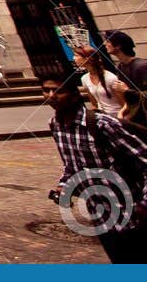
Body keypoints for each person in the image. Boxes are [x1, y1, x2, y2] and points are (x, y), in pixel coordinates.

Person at [43, 70, 147, 263]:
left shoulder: (101, 124)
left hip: (134, 212)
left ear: (74, 95)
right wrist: (63, 186)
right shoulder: (55, 125)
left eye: (58, 91)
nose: (51, 96)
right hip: (101, 215)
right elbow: (72, 165)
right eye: (46, 91)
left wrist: (145, 205)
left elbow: (144, 160)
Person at [103, 30, 147, 126]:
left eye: (108, 41)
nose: (105, 44)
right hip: (136, 118)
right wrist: (122, 112)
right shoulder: (120, 67)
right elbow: (130, 101)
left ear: (118, 46)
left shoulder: (142, 66)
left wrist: (126, 91)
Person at [75, 44, 128, 117]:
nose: (74, 58)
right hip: (103, 118)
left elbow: (125, 104)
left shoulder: (110, 78)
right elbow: (94, 104)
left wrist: (121, 115)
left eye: (76, 55)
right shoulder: (84, 79)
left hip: (117, 116)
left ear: (87, 58)